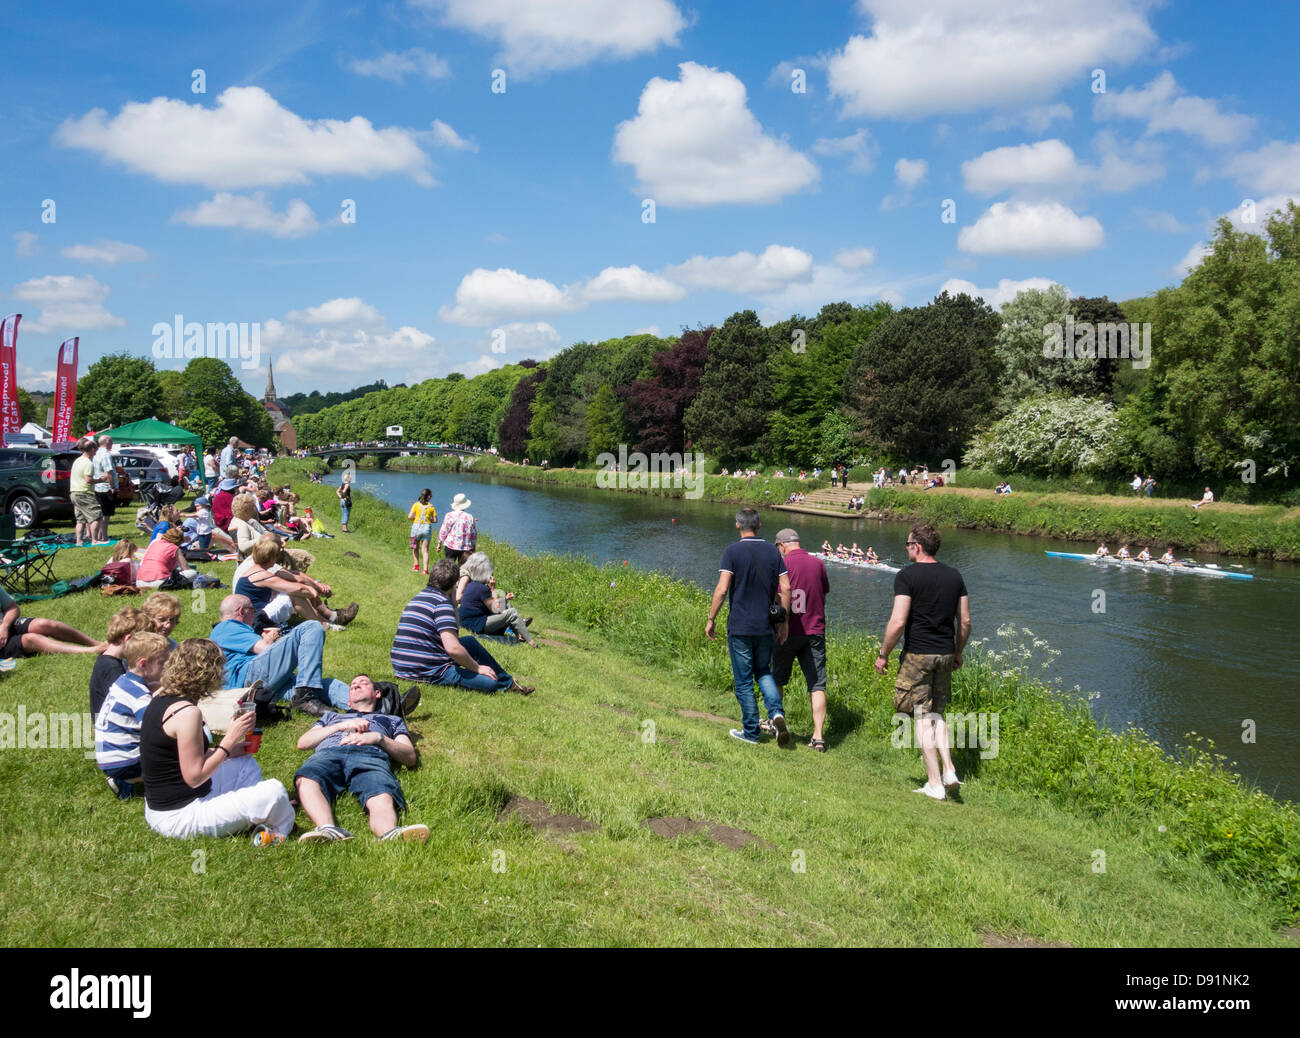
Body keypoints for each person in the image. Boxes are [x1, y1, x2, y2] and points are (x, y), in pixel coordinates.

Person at [139, 638, 295, 844]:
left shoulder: (162, 696)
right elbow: (194, 776)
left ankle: (256, 813)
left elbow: (183, 759)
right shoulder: (187, 713)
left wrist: (233, 749)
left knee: (245, 764)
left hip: (162, 804)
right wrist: (229, 740)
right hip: (179, 815)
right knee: (274, 791)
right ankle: (277, 832)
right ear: (208, 674)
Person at [876, 523, 971, 801]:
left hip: (918, 653)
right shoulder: (955, 576)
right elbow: (964, 621)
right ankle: (949, 770)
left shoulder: (907, 576)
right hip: (944, 653)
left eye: (907, 544)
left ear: (917, 546)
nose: (906, 548)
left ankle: (934, 784)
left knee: (920, 716)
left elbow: (898, 621)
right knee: (936, 714)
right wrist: (957, 651)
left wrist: (884, 654)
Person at [294, 674, 429, 844]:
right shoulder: (331, 718)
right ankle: (327, 829)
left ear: (377, 693)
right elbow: (303, 743)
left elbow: (410, 757)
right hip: (328, 753)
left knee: (381, 792)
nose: (356, 686)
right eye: (352, 686)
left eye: (363, 683)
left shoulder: (392, 720)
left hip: (370, 755)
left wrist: (378, 738)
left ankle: (389, 833)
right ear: (349, 702)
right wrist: (341, 726)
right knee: (306, 779)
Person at [705, 508, 791, 747]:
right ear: (760, 525)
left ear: (737, 525)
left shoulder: (732, 551)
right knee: (763, 672)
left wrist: (711, 618)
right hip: (765, 627)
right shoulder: (774, 553)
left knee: (743, 681)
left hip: (741, 626)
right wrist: (783, 621)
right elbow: (786, 588)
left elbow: (722, 590)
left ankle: (751, 732)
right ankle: (776, 713)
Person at [391, 559, 532, 695]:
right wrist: (477, 668)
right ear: (453, 584)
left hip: (401, 665)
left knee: (469, 642)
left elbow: (454, 637)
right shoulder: (441, 604)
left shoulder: (419, 597)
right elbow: (453, 648)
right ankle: (505, 683)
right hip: (426, 670)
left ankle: (508, 683)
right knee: (490, 683)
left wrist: (453, 605)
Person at [210, 594, 351, 717]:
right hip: (251, 679)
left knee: (328, 685)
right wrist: (271, 641)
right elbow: (264, 649)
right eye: (253, 610)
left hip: (264, 688)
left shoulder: (228, 631)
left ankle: (366, 704)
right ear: (241, 611)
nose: (255, 614)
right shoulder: (227, 626)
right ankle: (305, 696)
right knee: (311, 627)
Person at [94, 630, 171, 799]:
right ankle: (129, 780)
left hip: (109, 755)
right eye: (162, 663)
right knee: (174, 754)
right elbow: (155, 729)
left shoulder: (124, 681)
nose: (167, 667)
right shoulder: (139, 695)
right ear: (143, 664)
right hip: (124, 760)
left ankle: (127, 778)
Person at [772, 529, 829, 752]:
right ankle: (818, 736)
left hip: (788, 632)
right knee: (817, 685)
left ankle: (775, 720)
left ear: (783, 546)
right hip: (814, 631)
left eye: (778, 548)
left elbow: (777, 599)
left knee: (777, 678)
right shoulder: (818, 564)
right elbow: (823, 596)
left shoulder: (783, 566)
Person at [233, 536, 357, 630]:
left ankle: (326, 620)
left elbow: (296, 582)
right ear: (271, 558)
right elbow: (295, 588)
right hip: (253, 619)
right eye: (277, 555)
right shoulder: (262, 575)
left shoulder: (255, 569)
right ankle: (324, 624)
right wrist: (312, 592)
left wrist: (308, 590)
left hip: (250, 615)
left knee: (295, 592)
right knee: (293, 595)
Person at [1, 584, 105, 661]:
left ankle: (96, 643)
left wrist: (4, 626)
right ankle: (91, 651)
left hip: (5, 625)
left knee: (43, 624)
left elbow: (12, 608)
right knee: (32, 639)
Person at [457, 552, 536, 647]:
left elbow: (491, 605)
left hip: (470, 621)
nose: (491, 577)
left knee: (506, 605)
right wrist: (492, 588)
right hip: (475, 625)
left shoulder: (474, 585)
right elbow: (496, 609)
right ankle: (531, 642)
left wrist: (504, 599)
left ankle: (519, 634)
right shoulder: (482, 589)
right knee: (512, 613)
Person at [89, 606, 153, 717]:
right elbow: (130, 700)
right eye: (144, 643)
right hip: (114, 728)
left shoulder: (109, 660)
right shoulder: (112, 669)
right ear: (128, 639)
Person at [69, 437, 102, 547]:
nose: (96, 452)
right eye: (96, 450)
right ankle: (95, 540)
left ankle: (79, 541)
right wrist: (101, 480)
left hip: (74, 492)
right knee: (96, 516)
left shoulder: (77, 460)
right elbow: (88, 480)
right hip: (84, 493)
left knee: (80, 520)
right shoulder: (88, 463)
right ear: (92, 449)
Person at [92, 434, 119, 543]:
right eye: (111, 441)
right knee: (106, 515)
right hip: (106, 488)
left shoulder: (97, 453)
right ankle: (104, 536)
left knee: (101, 513)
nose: (112, 443)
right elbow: (109, 472)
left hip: (98, 487)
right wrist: (113, 486)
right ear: (107, 442)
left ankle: (99, 536)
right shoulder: (106, 455)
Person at [437, 493, 476, 560]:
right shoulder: (469, 517)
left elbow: (444, 531)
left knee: (449, 567)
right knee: (463, 568)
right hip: (465, 547)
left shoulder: (449, 515)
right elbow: (473, 534)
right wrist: (473, 545)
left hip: (450, 546)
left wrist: (439, 543)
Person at [407, 489, 437, 574]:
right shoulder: (431, 507)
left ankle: (416, 567)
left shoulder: (416, 505)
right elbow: (435, 520)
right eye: (431, 495)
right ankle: (425, 570)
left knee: (414, 548)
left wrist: (415, 519)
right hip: (426, 529)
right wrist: (429, 519)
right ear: (429, 497)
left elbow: (410, 516)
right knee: (425, 550)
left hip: (416, 529)